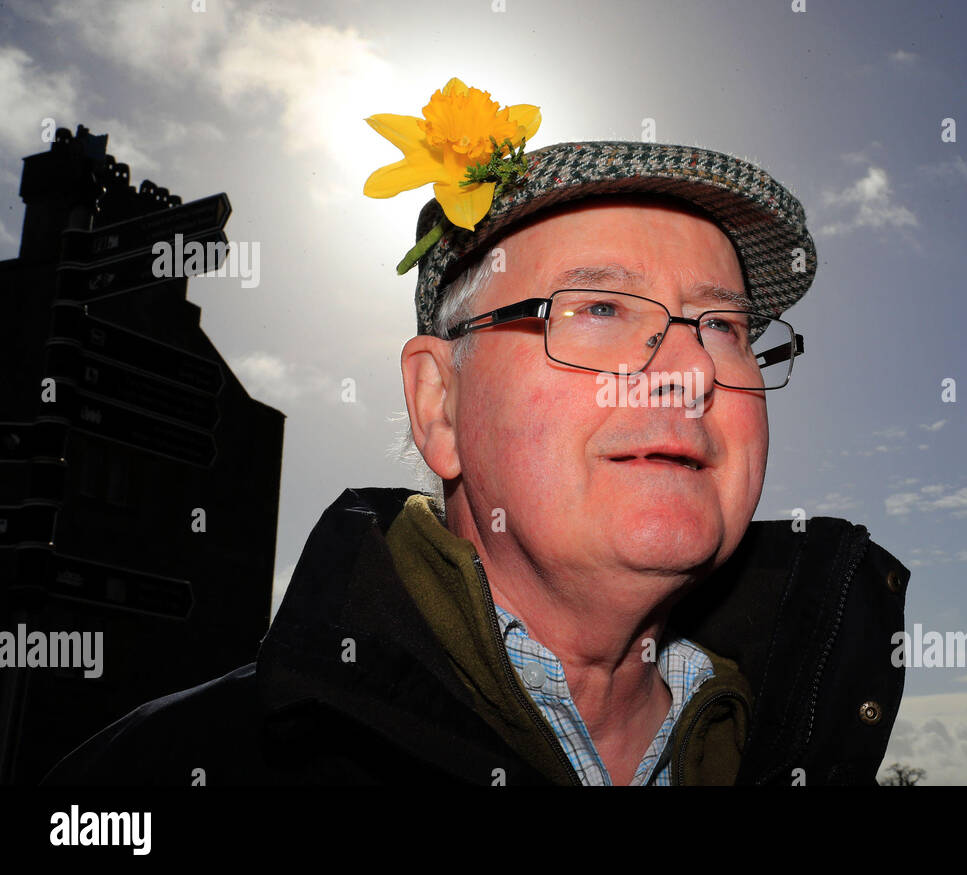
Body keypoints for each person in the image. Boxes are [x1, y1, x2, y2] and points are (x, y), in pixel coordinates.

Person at [43, 131, 912, 787]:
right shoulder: (147, 780)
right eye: (599, 306)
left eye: (722, 326)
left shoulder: (807, 741)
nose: (690, 371)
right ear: (440, 406)